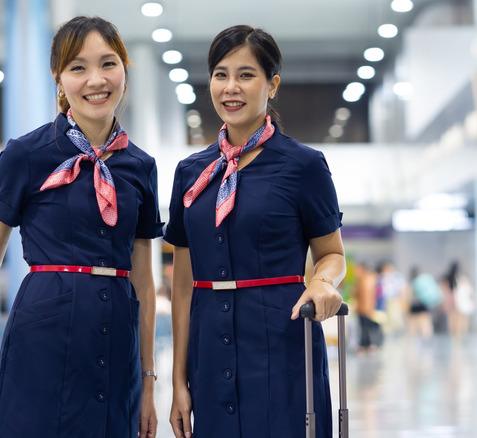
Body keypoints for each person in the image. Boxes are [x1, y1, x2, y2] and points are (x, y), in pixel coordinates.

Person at [0, 16, 162, 438]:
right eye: (78, 68)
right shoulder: (25, 154)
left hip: (117, 340)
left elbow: (144, 281)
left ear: (124, 71)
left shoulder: (141, 166)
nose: (95, 79)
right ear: (59, 80)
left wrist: (148, 380)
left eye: (108, 64)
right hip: (44, 335)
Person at [165, 25, 346, 438]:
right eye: (221, 74)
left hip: (283, 348)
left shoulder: (304, 166)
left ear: (272, 84)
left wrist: (322, 282)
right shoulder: (191, 173)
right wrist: (179, 381)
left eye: (246, 75)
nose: (231, 87)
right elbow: (182, 286)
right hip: (210, 355)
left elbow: (333, 254)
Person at [354, 262, 383, 353]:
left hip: (365, 309)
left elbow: (364, 296)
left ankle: (368, 344)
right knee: (366, 327)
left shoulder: (366, 280)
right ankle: (369, 344)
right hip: (366, 308)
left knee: (366, 328)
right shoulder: (369, 279)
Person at [444, 260, 475, 340]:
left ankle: (454, 335)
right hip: (461, 299)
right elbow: (469, 289)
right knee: (462, 317)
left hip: (452, 297)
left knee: (452, 317)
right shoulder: (463, 276)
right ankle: (462, 334)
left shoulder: (448, 276)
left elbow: (445, 288)